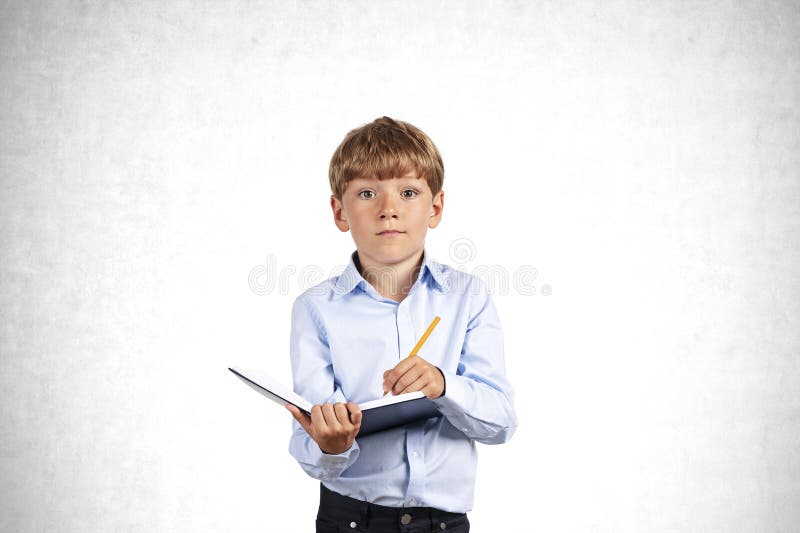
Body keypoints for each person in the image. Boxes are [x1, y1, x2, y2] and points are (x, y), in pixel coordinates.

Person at [285, 116, 517, 533]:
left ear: (436, 207)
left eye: (408, 192)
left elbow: (500, 422)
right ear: (340, 211)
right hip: (350, 520)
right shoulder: (315, 308)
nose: (388, 209)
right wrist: (331, 445)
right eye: (367, 193)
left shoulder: (468, 296)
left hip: (442, 524)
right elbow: (308, 445)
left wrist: (443, 385)